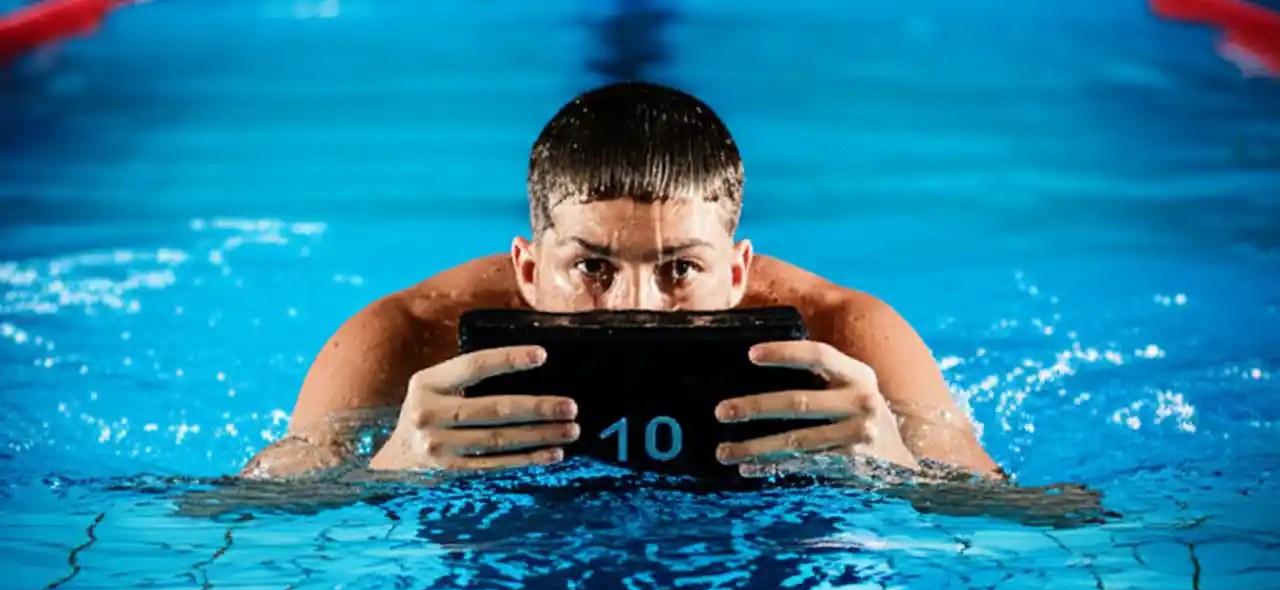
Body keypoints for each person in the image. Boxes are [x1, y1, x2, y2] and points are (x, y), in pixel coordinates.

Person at [242, 81, 1002, 482]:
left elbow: (1032, 522)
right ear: (529, 270)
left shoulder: (848, 335)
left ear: (738, 274)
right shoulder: (404, 338)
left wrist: (894, 462)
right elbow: (238, 519)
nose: (636, 306)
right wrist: (393, 466)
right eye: (591, 268)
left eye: (680, 270)